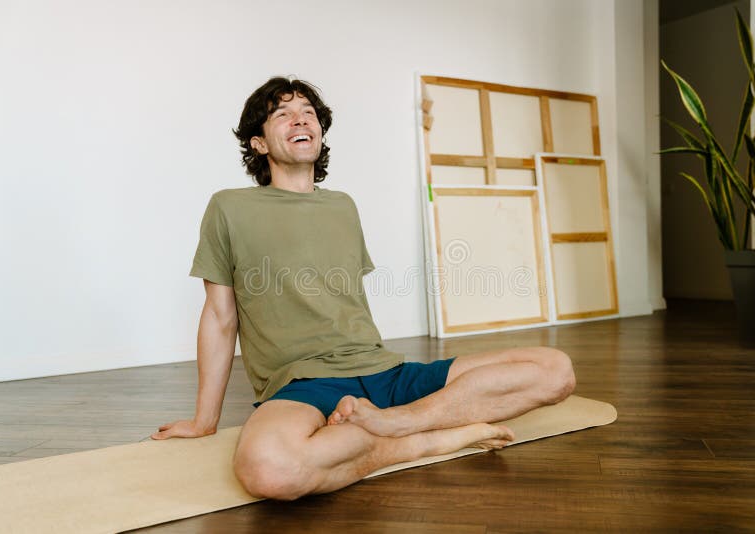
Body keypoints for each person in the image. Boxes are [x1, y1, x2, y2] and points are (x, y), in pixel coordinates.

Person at [151, 77, 576, 501]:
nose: (300, 119)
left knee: (554, 370)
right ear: (259, 143)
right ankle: (426, 439)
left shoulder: (343, 205)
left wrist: (398, 405)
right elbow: (220, 317)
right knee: (268, 468)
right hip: (303, 382)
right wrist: (205, 420)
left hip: (384, 373)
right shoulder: (229, 207)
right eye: (282, 114)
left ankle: (402, 422)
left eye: (308, 113)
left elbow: (346, 303)